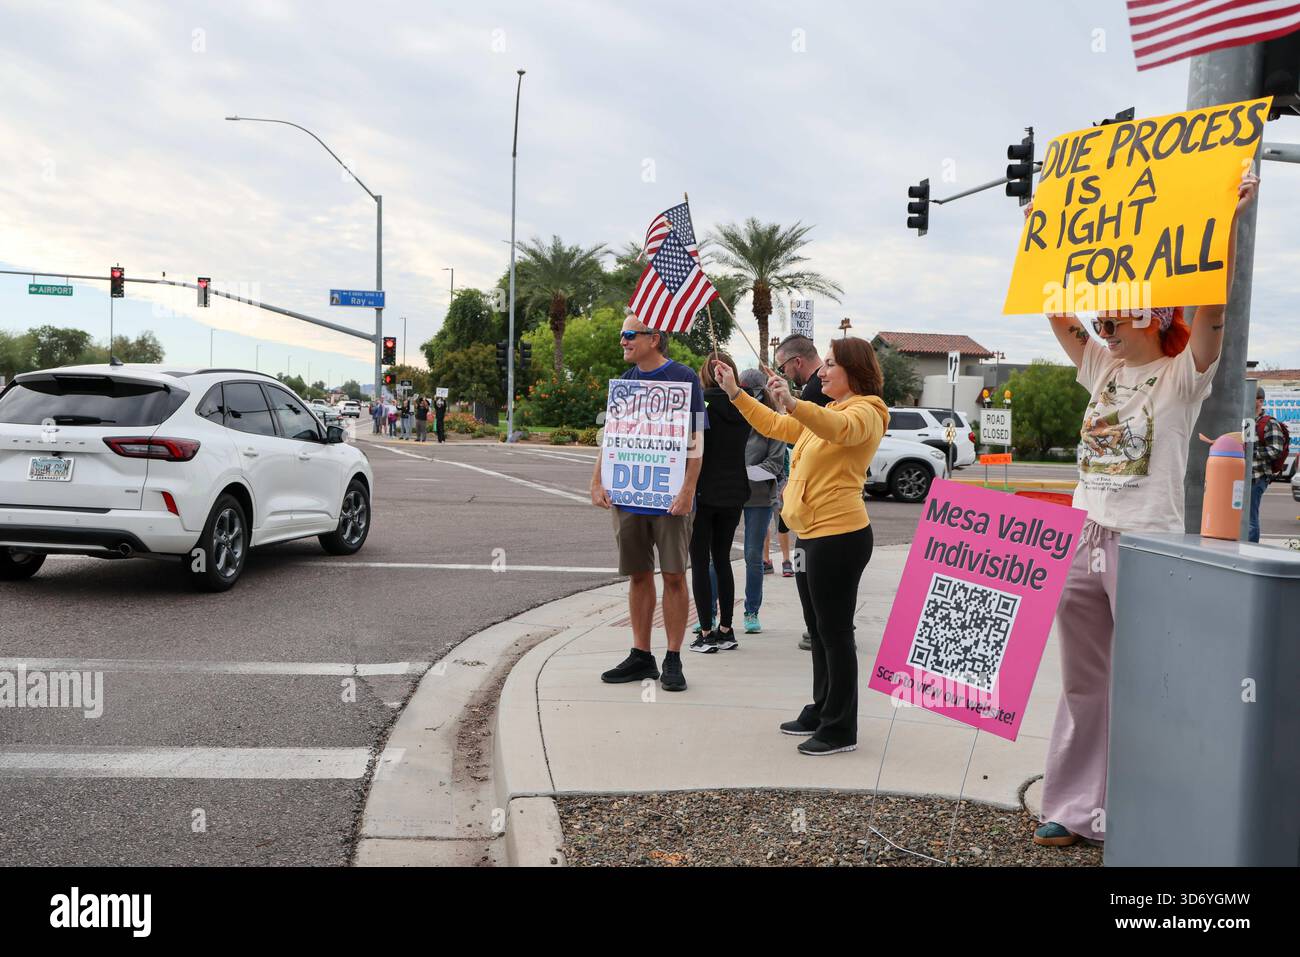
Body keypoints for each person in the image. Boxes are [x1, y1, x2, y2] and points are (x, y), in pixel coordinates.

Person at [1031, 167, 1259, 848]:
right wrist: (1043, 230)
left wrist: (1228, 224)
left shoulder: (1182, 374)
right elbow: (1055, 310)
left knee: (1152, 681)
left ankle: (1156, 805)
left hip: (1146, 542)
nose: (1106, 321)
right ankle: (1073, 808)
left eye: (1121, 311)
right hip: (1083, 533)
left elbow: (1212, 313)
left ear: (1159, 319)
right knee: (1083, 683)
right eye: (1103, 314)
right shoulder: (1102, 368)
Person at [713, 337, 888, 755]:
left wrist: (793, 402)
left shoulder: (868, 411)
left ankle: (840, 728)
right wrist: (736, 393)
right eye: (823, 363)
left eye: (830, 364)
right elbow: (778, 427)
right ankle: (823, 706)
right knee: (818, 629)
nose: (823, 371)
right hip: (810, 535)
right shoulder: (827, 410)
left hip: (839, 537)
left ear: (853, 370)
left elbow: (839, 431)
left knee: (836, 632)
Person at [591, 314, 707, 693]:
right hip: (629, 496)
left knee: (674, 574)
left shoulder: (684, 378)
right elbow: (611, 439)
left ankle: (673, 657)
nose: (622, 341)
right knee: (638, 573)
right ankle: (642, 655)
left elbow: (696, 439)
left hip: (669, 497)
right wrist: (597, 480)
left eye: (628, 334)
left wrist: (688, 489)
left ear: (653, 338)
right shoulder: (624, 385)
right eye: (621, 335)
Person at [773, 333, 834, 650]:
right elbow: (787, 429)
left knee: (806, 571)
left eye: (783, 366)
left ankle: (818, 628)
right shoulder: (814, 391)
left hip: (817, 503)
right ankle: (823, 626)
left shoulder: (814, 391)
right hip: (813, 498)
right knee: (807, 568)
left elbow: (804, 436)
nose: (825, 372)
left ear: (797, 361)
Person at [688, 352, 750, 654]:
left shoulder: (698, 403)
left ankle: (706, 630)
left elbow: (693, 447)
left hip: (702, 491)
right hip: (735, 490)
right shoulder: (744, 404)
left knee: (700, 562)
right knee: (722, 559)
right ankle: (726, 628)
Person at [738, 367, 787, 634]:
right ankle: (709, 613)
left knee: (753, 555)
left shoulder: (773, 420)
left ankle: (751, 612)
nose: (745, 396)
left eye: (749, 391)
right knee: (714, 556)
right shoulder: (730, 415)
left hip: (758, 497)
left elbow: (775, 464)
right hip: (726, 495)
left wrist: (739, 472)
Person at [1250, 386, 1288, 543]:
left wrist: (1252, 452)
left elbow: (1276, 450)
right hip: (1246, 477)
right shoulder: (1248, 421)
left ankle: (1249, 550)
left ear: (1260, 401)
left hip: (1257, 477)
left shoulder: (1269, 423)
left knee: (1250, 519)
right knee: (1243, 517)